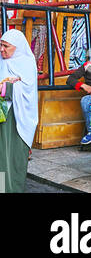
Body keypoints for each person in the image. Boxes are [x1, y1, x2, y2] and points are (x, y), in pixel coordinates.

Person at [0, 29, 39, 192]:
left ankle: (11, 188)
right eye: (0, 45)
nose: (2, 50)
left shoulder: (27, 63)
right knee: (2, 159)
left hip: (16, 119)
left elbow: (27, 89)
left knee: (13, 158)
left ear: (18, 47)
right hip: (3, 118)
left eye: (6, 46)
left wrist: (5, 87)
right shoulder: (2, 61)